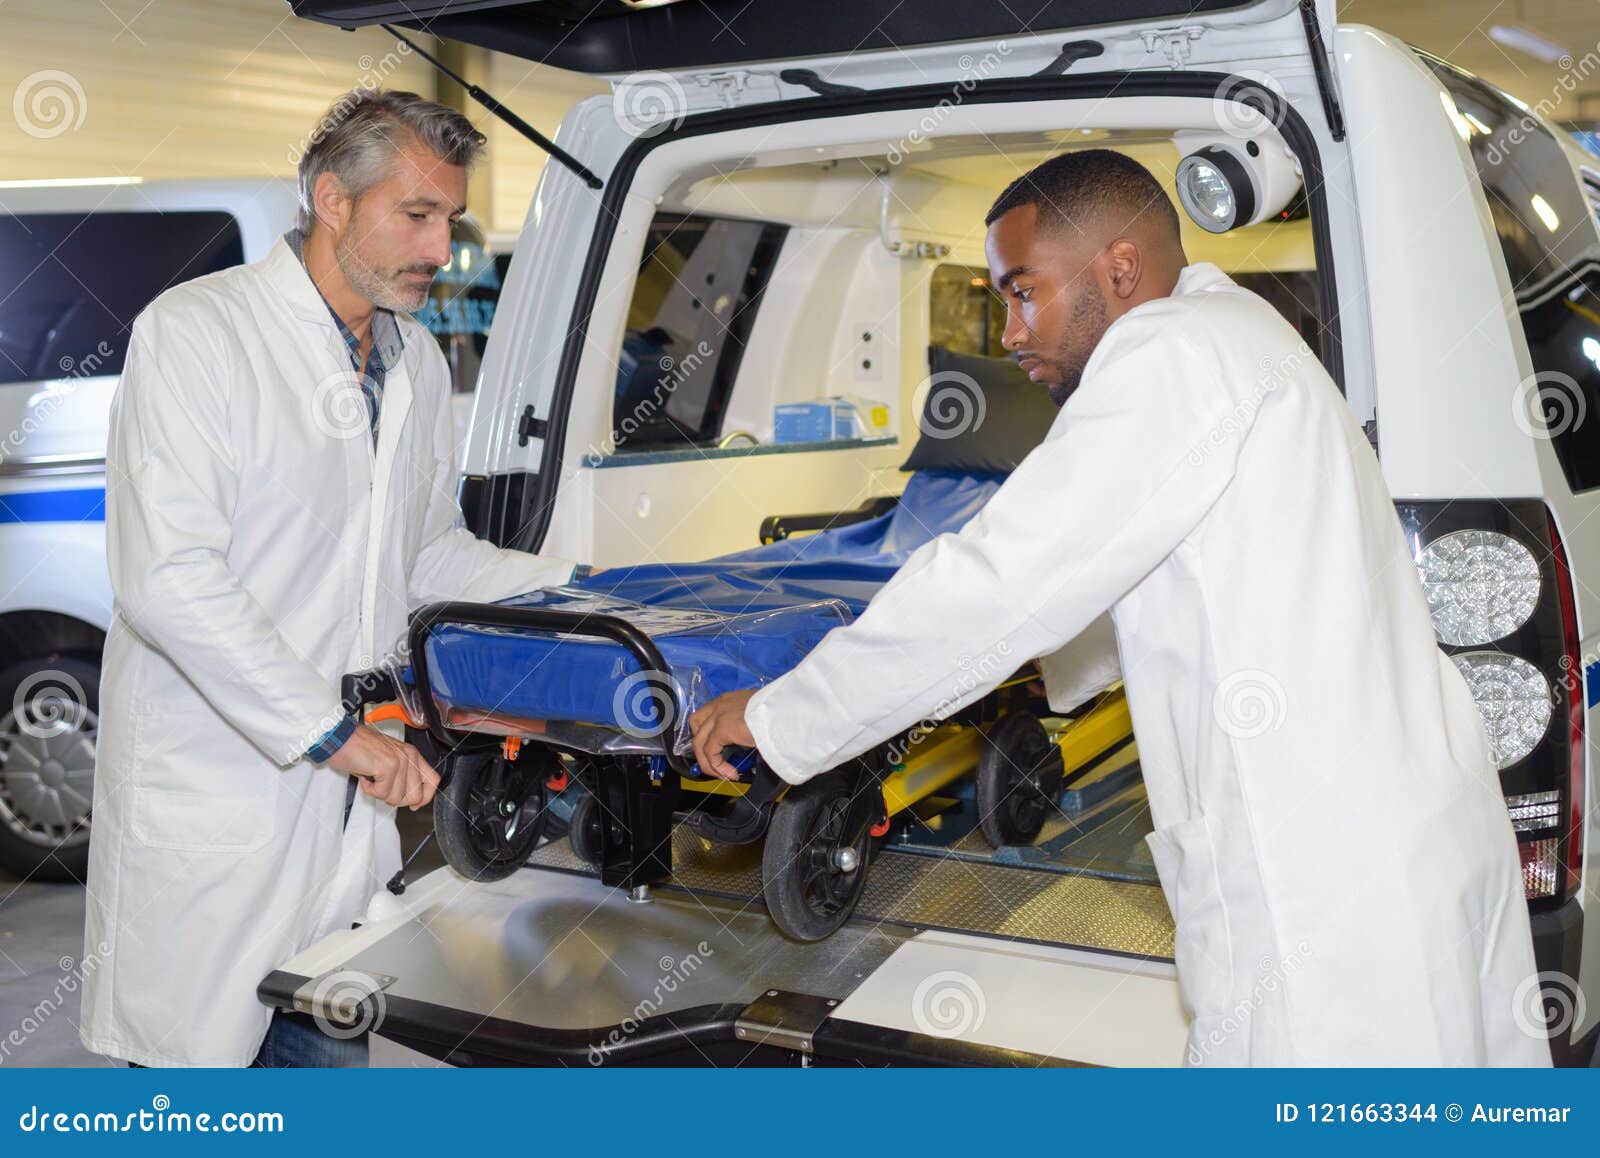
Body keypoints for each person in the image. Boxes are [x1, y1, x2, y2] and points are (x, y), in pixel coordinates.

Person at [689, 149, 1550, 1066]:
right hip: (1409, 851)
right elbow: (1136, 571)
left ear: (1121, 270)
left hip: (1320, 904)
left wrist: (781, 716)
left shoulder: (1167, 355)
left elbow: (998, 580)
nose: (1011, 333)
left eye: (1024, 293)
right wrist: (1029, 667)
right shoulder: (1242, 332)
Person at [81, 89, 587, 1068]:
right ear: (332, 200)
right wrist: (335, 734)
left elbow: (425, 556)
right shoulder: (199, 334)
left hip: (344, 830)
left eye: (450, 218)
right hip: (224, 794)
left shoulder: (418, 364)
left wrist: (585, 586)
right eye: (417, 215)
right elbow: (168, 577)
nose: (442, 248)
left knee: (326, 1080)